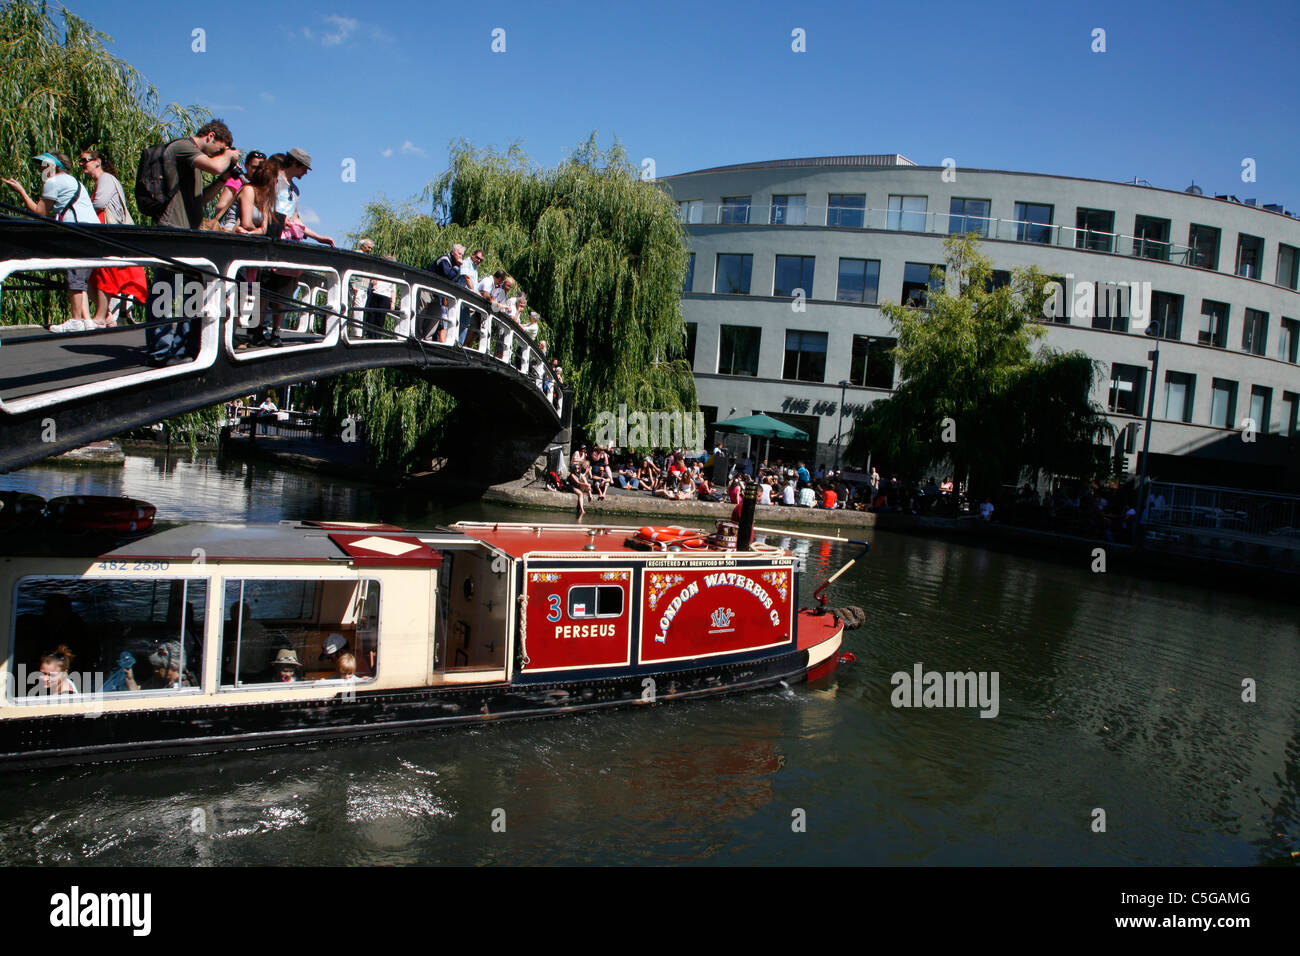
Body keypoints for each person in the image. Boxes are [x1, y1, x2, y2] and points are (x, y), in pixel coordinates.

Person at [144, 120, 239, 364]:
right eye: (219, 149)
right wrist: (228, 156)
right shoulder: (183, 147)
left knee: (190, 293)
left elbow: (200, 199)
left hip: (188, 233)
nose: (220, 155)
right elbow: (216, 167)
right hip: (172, 231)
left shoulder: (194, 161)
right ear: (210, 136)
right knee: (164, 293)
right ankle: (158, 352)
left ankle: (180, 348)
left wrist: (223, 181)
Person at [4, 152, 99, 331]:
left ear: (53, 166)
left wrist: (21, 192)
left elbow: (40, 212)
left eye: (43, 164)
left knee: (74, 274)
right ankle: (85, 320)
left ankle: (76, 321)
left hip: (75, 230)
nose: (40, 168)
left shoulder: (52, 182)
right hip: (93, 230)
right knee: (80, 275)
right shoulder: (73, 181)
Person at [78, 149, 148, 328]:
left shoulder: (105, 178)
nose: (82, 164)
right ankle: (108, 313)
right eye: (81, 162)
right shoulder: (102, 180)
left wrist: (81, 207)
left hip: (109, 231)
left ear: (97, 161)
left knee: (103, 272)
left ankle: (102, 315)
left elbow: (100, 203)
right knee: (97, 273)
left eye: (85, 160)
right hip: (105, 230)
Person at [216, 150, 264, 230]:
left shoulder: (264, 187)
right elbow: (221, 205)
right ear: (246, 166)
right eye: (254, 167)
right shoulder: (237, 181)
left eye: (261, 168)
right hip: (235, 228)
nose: (257, 171)